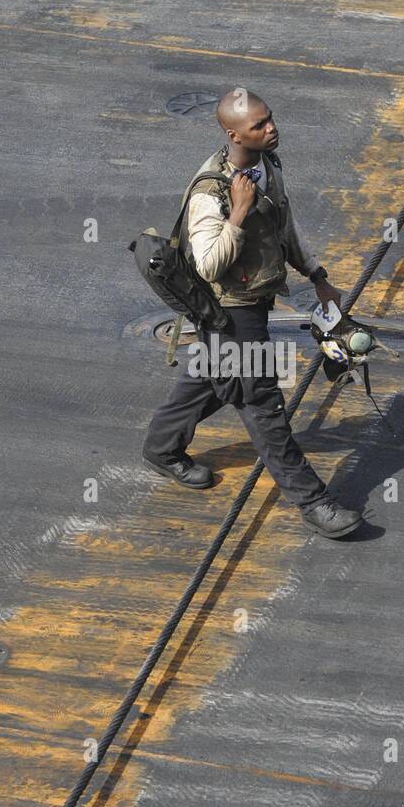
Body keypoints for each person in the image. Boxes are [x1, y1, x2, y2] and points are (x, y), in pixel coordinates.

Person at [142, 87, 363, 538]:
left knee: (213, 377)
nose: (271, 128)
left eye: (270, 119)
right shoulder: (212, 192)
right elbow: (208, 265)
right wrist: (237, 217)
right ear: (232, 134)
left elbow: (283, 223)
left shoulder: (268, 163)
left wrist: (317, 274)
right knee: (262, 404)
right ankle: (315, 502)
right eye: (258, 125)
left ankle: (161, 448)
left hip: (257, 301)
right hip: (230, 312)